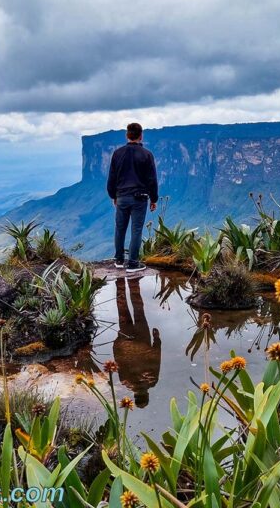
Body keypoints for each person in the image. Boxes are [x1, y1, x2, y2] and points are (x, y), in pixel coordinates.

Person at [106, 122, 158, 272]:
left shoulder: (117, 153)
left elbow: (112, 178)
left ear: (127, 135)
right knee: (136, 230)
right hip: (140, 199)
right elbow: (152, 180)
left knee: (120, 228)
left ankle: (119, 260)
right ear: (141, 136)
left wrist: (113, 195)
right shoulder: (147, 155)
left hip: (121, 196)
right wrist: (153, 199)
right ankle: (133, 264)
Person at [112, 277, 161, 407]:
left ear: (147, 395)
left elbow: (156, 359)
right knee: (122, 308)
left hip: (141, 340)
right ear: (135, 396)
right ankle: (120, 282)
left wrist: (157, 340)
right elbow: (118, 360)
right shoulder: (126, 381)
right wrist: (117, 343)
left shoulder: (151, 381)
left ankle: (133, 283)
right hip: (126, 343)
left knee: (138, 310)